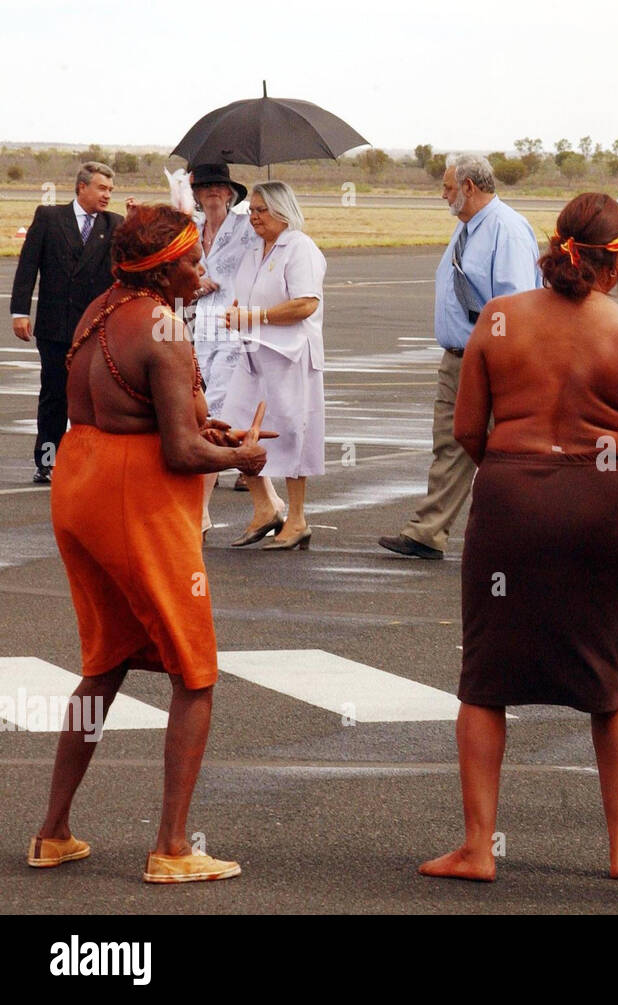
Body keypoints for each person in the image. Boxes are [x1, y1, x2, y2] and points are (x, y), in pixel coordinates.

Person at [417, 193, 618, 884]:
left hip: (510, 499)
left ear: (555, 246)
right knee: (611, 679)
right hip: (601, 505)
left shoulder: (499, 318)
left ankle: (476, 846)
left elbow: (468, 429)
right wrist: (607, 491)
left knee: (485, 678)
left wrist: (518, 465)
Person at [29, 203, 266, 881]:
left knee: (104, 662)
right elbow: (182, 452)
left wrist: (206, 428)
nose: (202, 273)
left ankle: (53, 831)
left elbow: (136, 409)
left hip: (81, 484)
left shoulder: (101, 308)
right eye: (192, 262)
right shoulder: (163, 326)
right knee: (196, 673)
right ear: (162, 270)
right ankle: (170, 846)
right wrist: (240, 459)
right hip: (137, 498)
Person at [379, 154, 541, 560]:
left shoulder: (507, 230)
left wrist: (499, 363)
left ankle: (525, 531)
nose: (443, 194)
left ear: (470, 186)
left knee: (505, 448)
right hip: (459, 357)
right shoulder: (467, 228)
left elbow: (516, 304)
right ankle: (428, 532)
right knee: (450, 442)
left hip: (492, 360)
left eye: (448, 187)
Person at [222, 181, 326, 551]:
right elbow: (245, 294)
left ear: (283, 210)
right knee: (237, 429)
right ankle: (265, 507)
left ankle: (297, 519)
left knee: (292, 433)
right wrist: (237, 312)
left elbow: (305, 304)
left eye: (261, 210)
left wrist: (256, 315)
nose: (253, 217)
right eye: (251, 210)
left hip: (291, 357)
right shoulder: (254, 250)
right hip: (253, 355)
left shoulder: (301, 249)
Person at [11, 162, 123, 483]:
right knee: (54, 395)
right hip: (55, 327)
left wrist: (136, 220)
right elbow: (28, 266)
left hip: (94, 329)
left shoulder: (114, 224)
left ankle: (88, 460)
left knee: (91, 398)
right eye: (102, 188)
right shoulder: (48, 218)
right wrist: (20, 312)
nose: (107, 195)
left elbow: (130, 261)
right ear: (82, 187)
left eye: (110, 190)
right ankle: (47, 460)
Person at [190, 163, 257, 534]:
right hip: (202, 327)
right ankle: (267, 497)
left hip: (235, 326)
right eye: (206, 186)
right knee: (199, 403)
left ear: (231, 193)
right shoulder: (193, 230)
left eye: (220, 186)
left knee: (213, 408)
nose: (214, 192)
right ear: (197, 194)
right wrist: (198, 283)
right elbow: (182, 271)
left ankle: (200, 510)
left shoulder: (246, 228)